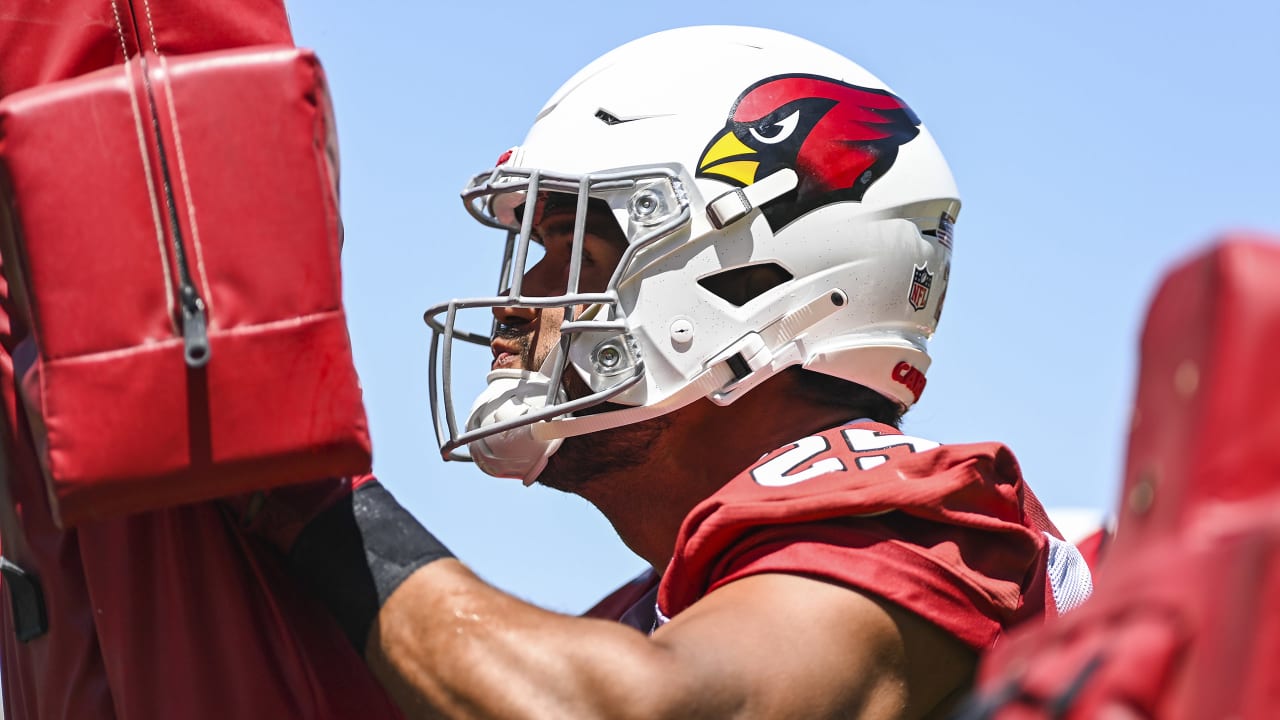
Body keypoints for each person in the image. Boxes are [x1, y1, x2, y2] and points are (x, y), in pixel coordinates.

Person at [283, 25, 1094, 719]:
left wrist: (311, 500)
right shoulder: (662, 608)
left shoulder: (915, 526)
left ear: (750, 289)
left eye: (573, 253)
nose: (520, 301)